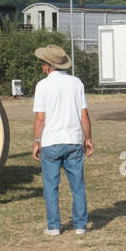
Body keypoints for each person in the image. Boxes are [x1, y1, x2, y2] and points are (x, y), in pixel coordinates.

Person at [32, 45, 94, 235]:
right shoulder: (76, 83)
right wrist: (88, 138)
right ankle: (81, 226)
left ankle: (54, 227)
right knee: (78, 186)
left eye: (43, 62)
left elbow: (40, 118)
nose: (41, 65)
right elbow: (84, 115)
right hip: (73, 140)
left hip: (51, 142)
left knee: (51, 187)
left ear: (48, 66)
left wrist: (36, 141)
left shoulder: (42, 86)